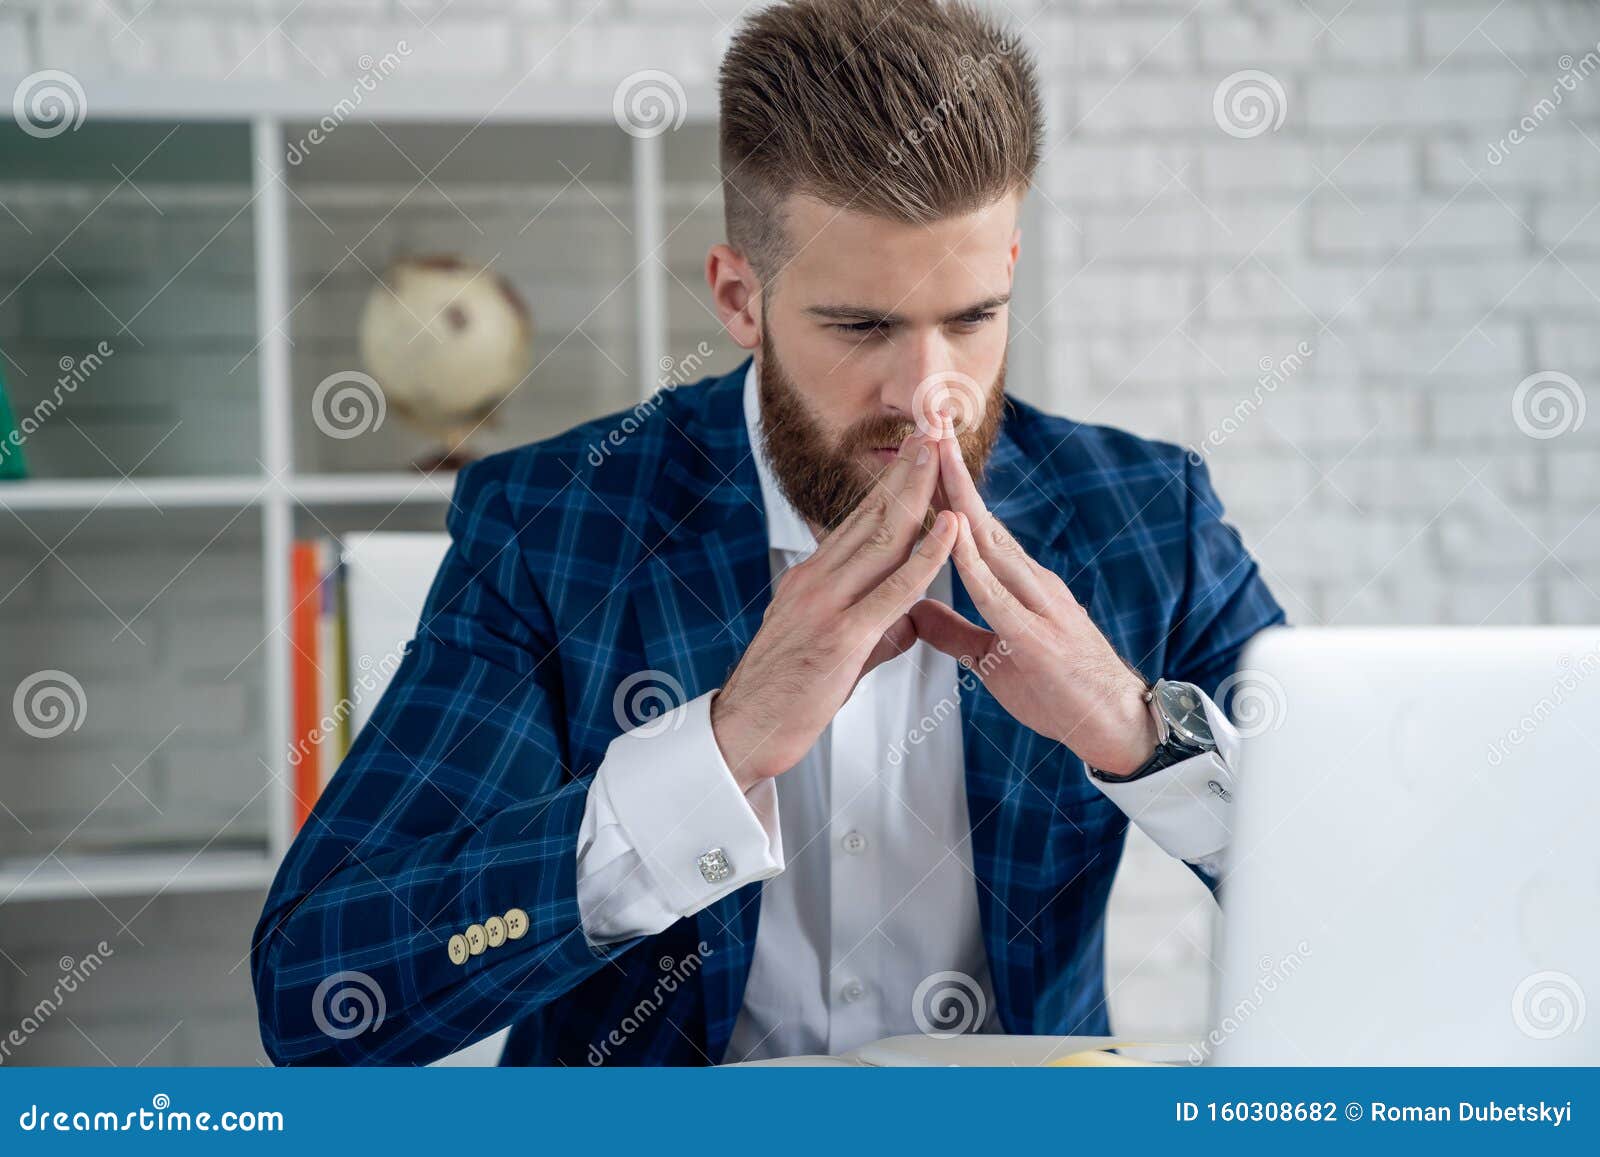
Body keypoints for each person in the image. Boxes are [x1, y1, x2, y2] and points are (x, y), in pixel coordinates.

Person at [252, 0, 1284, 1066]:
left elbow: (1386, 891)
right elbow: (319, 992)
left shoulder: (1146, 515)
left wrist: (1137, 734)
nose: (931, 395)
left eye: (972, 316)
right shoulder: (554, 520)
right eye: (861, 325)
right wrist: (719, 747)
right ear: (741, 297)